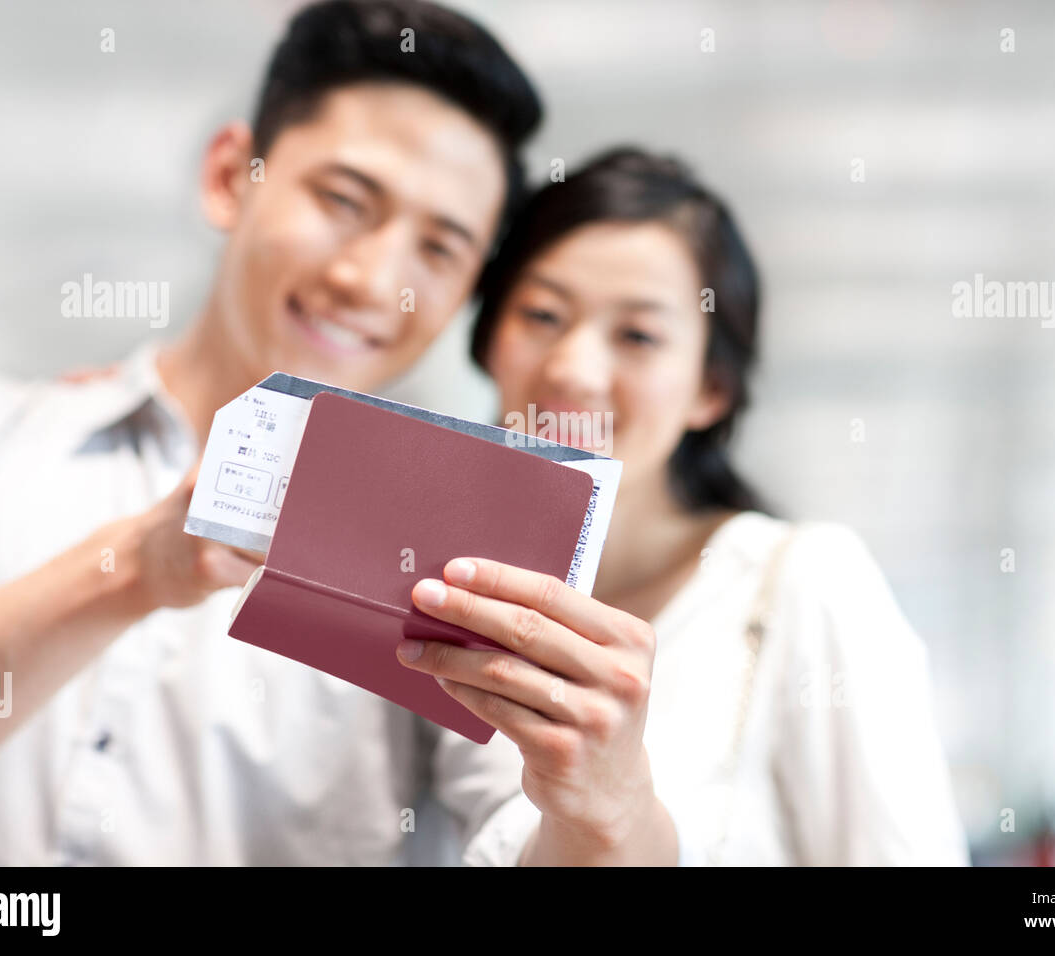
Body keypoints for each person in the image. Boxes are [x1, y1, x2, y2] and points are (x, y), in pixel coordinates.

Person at [0, 0, 547, 865]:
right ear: (228, 178)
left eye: (440, 249)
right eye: (345, 201)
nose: (370, 280)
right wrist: (137, 571)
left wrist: (610, 800)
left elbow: (527, 835)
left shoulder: (457, 566)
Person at [394, 148, 971, 865]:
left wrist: (618, 808)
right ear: (489, 344)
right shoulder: (446, 595)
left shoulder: (807, 583)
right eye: (541, 314)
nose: (573, 368)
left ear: (711, 391)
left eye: (638, 335)